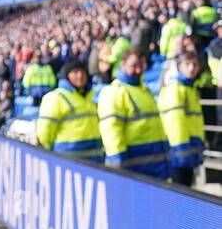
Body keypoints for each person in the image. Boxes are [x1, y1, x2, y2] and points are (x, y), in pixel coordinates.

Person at [98, 48, 170, 180]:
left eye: (141, 65)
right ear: (122, 64)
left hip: (155, 165)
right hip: (135, 167)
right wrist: (118, 163)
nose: (138, 70)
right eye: (134, 65)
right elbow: (111, 130)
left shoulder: (145, 91)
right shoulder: (114, 92)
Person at [34, 59, 102, 163]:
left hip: (95, 158)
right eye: (75, 72)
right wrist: (45, 154)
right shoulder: (56, 97)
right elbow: (45, 131)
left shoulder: (93, 96)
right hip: (68, 158)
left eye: (82, 72)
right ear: (67, 76)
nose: (80, 76)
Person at [158, 52, 205, 188]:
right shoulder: (175, 89)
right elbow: (175, 124)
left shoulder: (191, 89)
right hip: (179, 155)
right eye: (187, 64)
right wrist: (182, 153)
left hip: (189, 152)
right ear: (179, 67)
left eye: (195, 64)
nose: (191, 68)